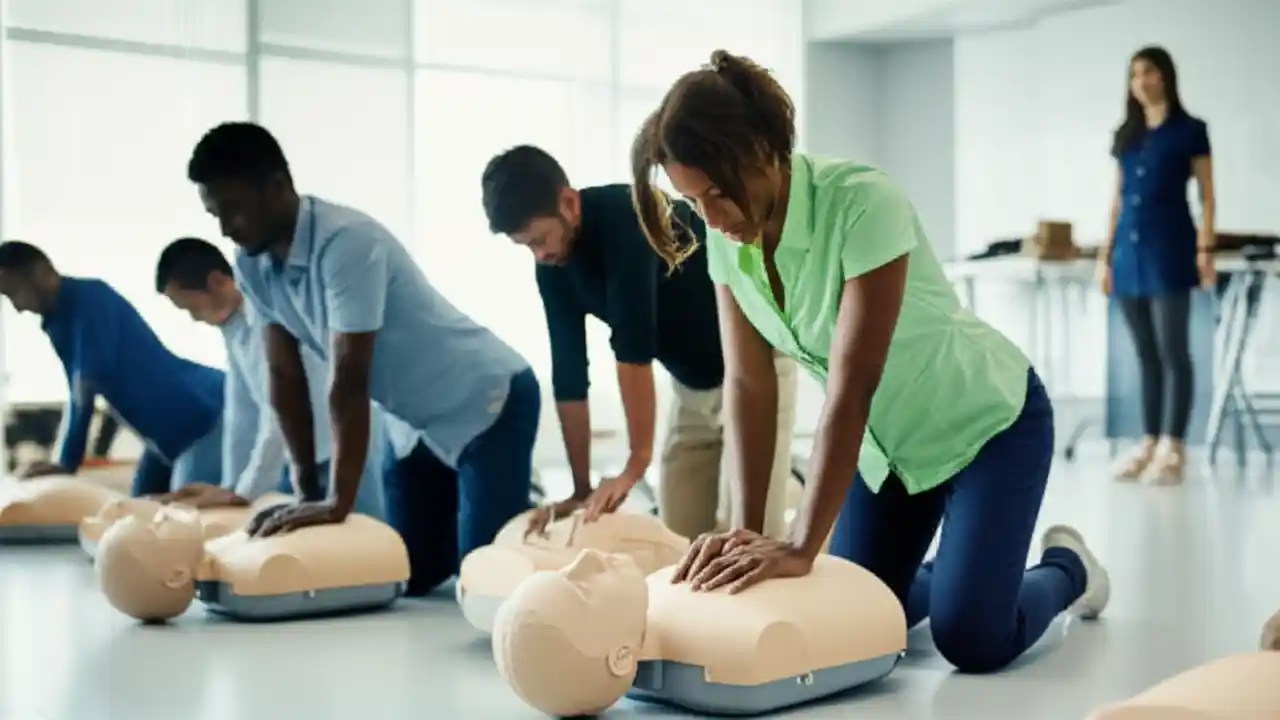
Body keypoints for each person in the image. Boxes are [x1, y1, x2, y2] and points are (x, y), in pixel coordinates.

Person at [629, 50, 1111, 674]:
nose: (712, 220)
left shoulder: (862, 201)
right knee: (862, 619)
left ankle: (1067, 567)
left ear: (762, 150)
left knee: (972, 638)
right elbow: (750, 384)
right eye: (694, 202)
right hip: (889, 454)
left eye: (719, 194)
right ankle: (969, 568)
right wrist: (749, 535)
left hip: (987, 426)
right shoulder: (728, 242)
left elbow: (852, 385)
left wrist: (802, 542)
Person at [186, 122, 539, 596]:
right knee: (407, 575)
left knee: (481, 581)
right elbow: (282, 375)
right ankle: (491, 501)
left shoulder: (346, 242)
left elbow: (349, 374)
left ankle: (527, 504)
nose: (226, 227)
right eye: (216, 215)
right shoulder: (252, 265)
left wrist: (336, 501)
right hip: (413, 427)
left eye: (234, 209)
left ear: (275, 187)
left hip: (486, 400)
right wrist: (306, 488)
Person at [480, 145, 798, 540]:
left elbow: (634, 346)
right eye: (526, 245)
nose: (540, 253)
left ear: (568, 203)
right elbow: (569, 375)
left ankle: (792, 479)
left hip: (756, 369)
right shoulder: (552, 267)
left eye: (540, 238)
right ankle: (783, 478)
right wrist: (581, 489)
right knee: (677, 536)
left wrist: (635, 465)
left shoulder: (628, 214)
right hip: (691, 385)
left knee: (745, 536)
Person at [152, 236, 389, 520]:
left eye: (192, 307)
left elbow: (278, 412)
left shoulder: (274, 310)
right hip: (303, 453)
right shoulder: (233, 325)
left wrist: (245, 491)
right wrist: (232, 485)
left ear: (217, 282)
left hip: (347, 442)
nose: (194, 318)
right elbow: (242, 412)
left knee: (367, 539)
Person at [0, 241, 225, 496]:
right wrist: (63, 462)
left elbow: (84, 388)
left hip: (199, 420)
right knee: (136, 514)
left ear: (42, 273)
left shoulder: (91, 298)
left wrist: (64, 462)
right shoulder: (57, 321)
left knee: (185, 517)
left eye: (14, 292)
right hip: (162, 438)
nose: (17, 308)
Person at [1099, 45, 1215, 485]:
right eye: (1134, 75)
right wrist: (1104, 258)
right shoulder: (1126, 135)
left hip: (1171, 249)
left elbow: (1207, 195)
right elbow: (1116, 200)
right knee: (1145, 353)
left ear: (1165, 76)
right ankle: (1148, 441)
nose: (1141, 81)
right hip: (1128, 254)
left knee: (1173, 351)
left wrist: (1204, 250)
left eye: (1148, 72)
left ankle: (1174, 445)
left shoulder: (1191, 131)